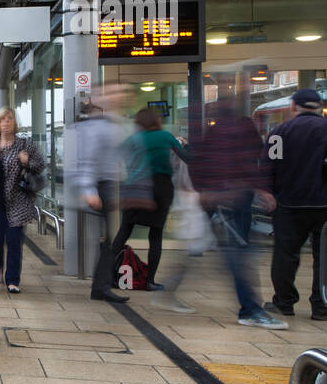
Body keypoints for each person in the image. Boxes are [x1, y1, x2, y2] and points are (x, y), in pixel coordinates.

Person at [191, 96, 284, 329]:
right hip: (231, 201)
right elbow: (251, 163)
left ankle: (169, 289)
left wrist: (203, 191)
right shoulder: (238, 131)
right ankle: (250, 310)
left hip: (226, 200)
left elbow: (200, 163)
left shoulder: (213, 133)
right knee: (238, 257)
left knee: (237, 255)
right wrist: (261, 189)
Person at [108, 108, 188, 291]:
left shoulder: (134, 139)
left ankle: (108, 276)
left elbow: (116, 157)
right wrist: (185, 144)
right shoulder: (166, 137)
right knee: (156, 234)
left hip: (136, 187)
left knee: (124, 231)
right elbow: (188, 158)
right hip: (161, 188)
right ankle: (150, 281)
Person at [265, 88, 327, 320]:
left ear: (294, 106)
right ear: (319, 106)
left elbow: (269, 165)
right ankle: (322, 307)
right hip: (323, 204)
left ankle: (284, 303)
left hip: (288, 203)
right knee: (325, 258)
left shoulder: (280, 132)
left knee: (285, 255)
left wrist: (269, 193)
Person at [0, 107, 44, 293]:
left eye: (9, 118)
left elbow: (40, 164)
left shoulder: (25, 144)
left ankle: (12, 280)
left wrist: (27, 161)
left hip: (17, 201)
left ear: (14, 123)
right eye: (3, 119)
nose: (6, 122)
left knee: (14, 240)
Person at [70, 83, 130, 303]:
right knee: (111, 240)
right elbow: (86, 160)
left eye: (119, 92)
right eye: (112, 92)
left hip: (114, 184)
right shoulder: (94, 127)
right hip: (102, 185)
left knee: (111, 240)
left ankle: (101, 285)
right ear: (98, 98)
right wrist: (89, 190)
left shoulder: (116, 122)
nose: (118, 96)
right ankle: (101, 286)